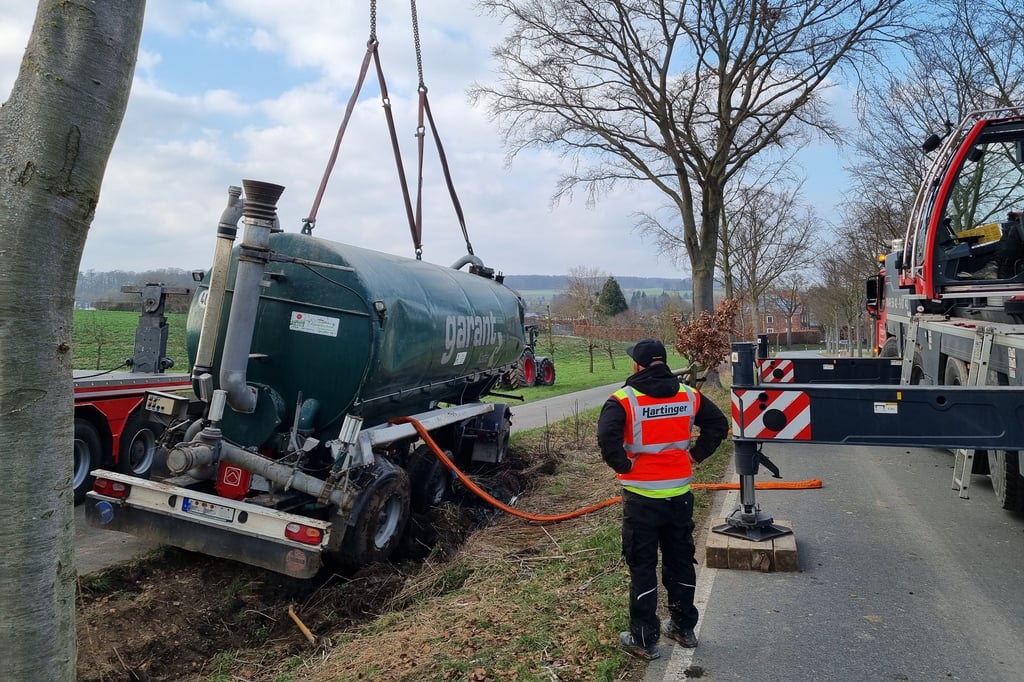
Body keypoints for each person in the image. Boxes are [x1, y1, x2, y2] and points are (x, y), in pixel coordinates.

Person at [597, 338, 728, 660]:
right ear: (663, 363)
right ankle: (683, 628)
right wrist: (696, 456)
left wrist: (624, 465)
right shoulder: (688, 395)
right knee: (681, 561)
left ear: (637, 366)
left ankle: (643, 639)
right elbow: (719, 424)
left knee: (643, 566)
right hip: (679, 497)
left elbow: (606, 438)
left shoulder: (623, 400)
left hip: (641, 497)